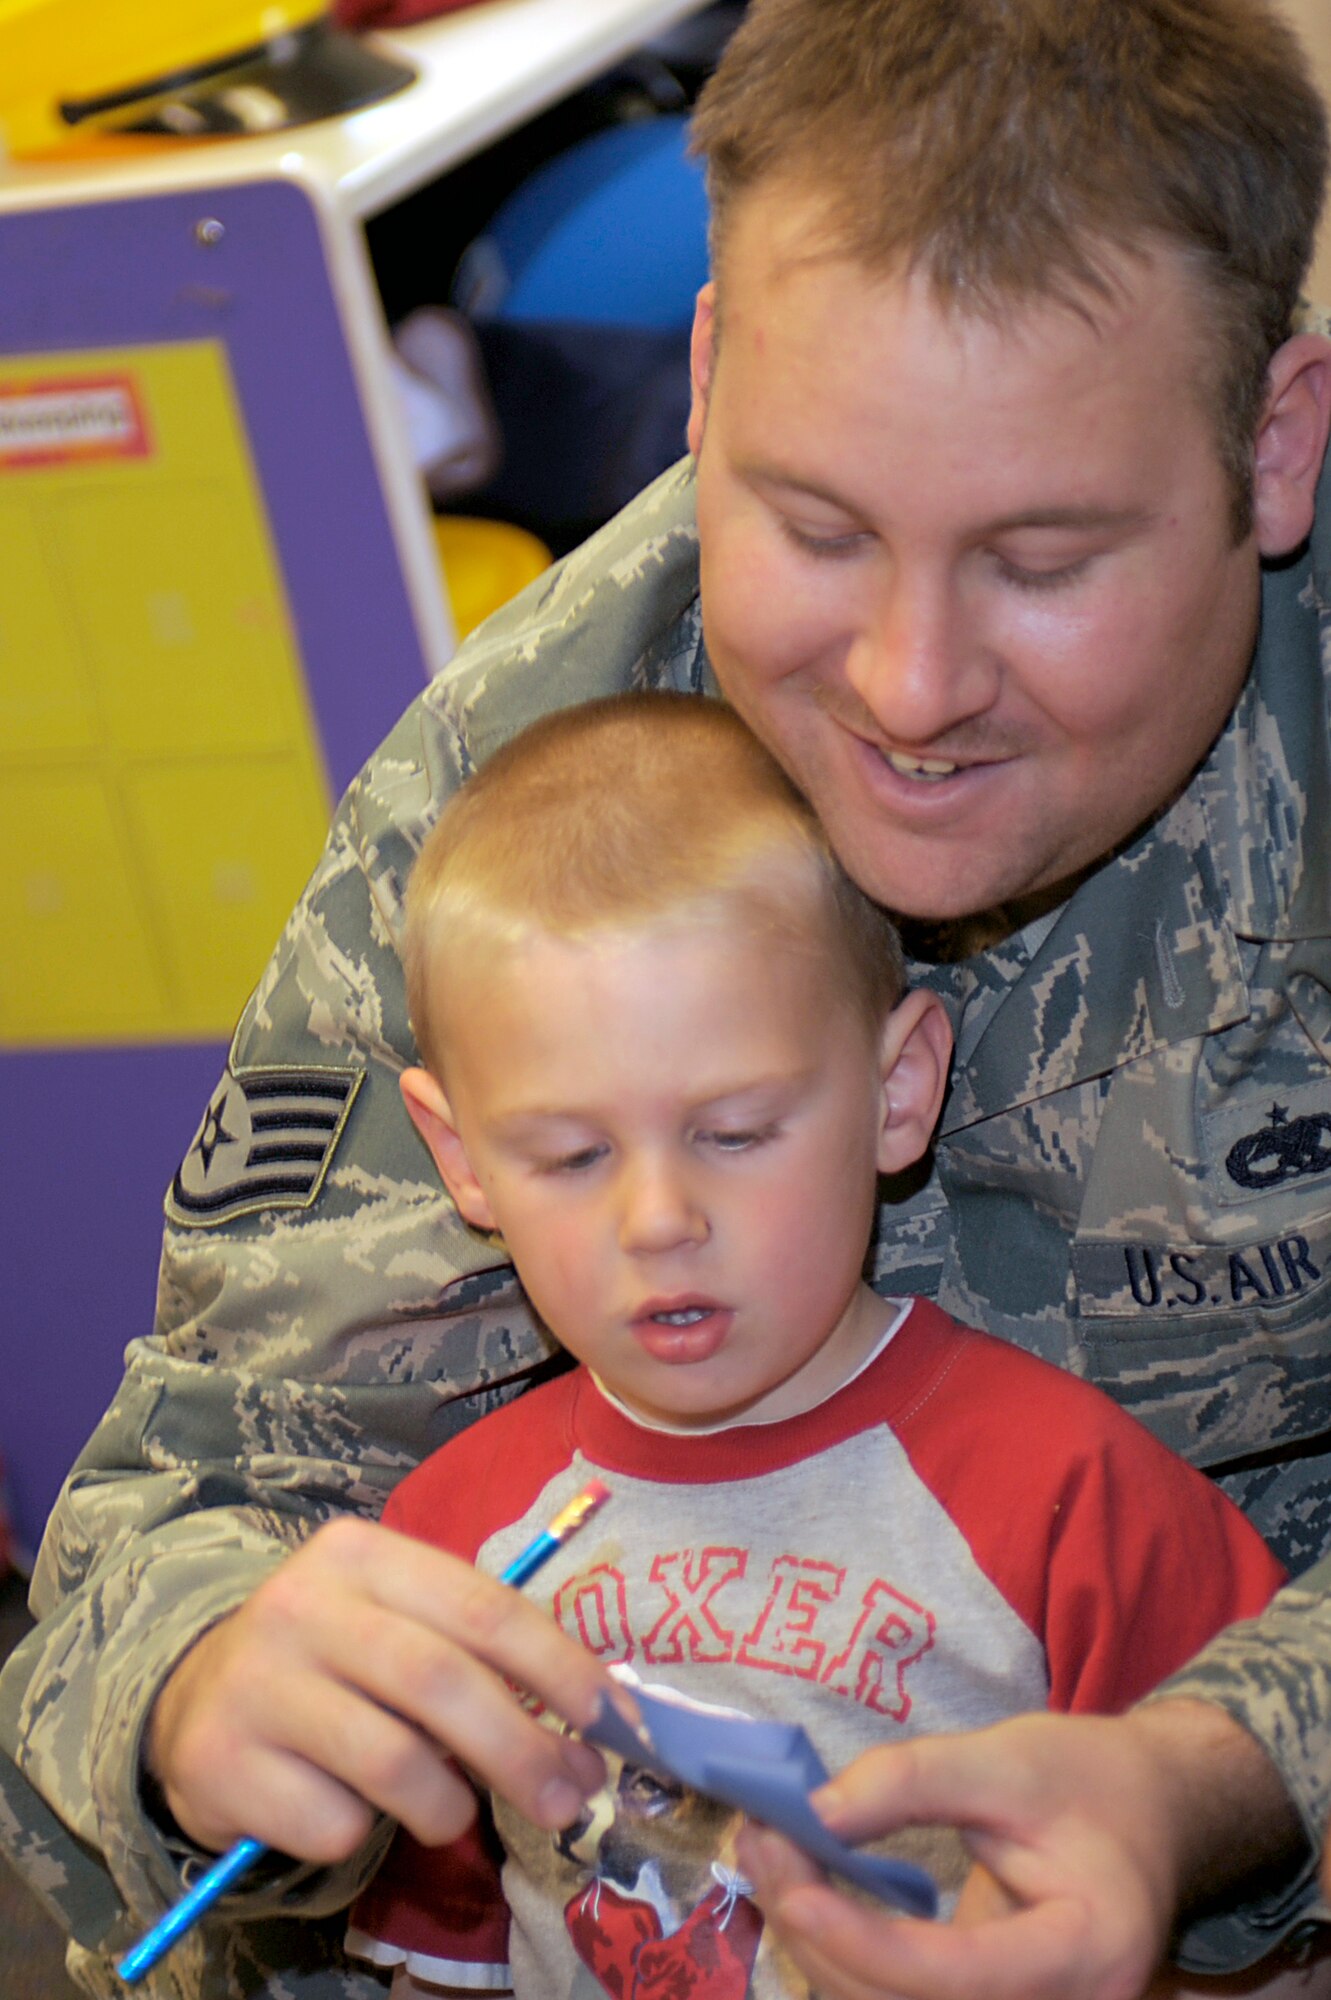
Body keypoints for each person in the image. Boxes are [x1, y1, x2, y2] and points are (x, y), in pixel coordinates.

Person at [3, 0, 1331, 1995]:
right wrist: (203, 1678)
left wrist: (1210, 1778)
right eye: (810, 526)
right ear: (706, 380)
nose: (906, 684)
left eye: (1043, 558)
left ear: (1277, 443)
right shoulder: (531, 775)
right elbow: (180, 1499)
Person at [338, 691, 1283, 2000]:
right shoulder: (443, 1545)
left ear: (896, 1092)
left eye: (735, 1133)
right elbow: (444, 1950)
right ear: (462, 1159)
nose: (659, 1219)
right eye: (569, 1154)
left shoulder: (1070, 1493)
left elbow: (1267, 1879)